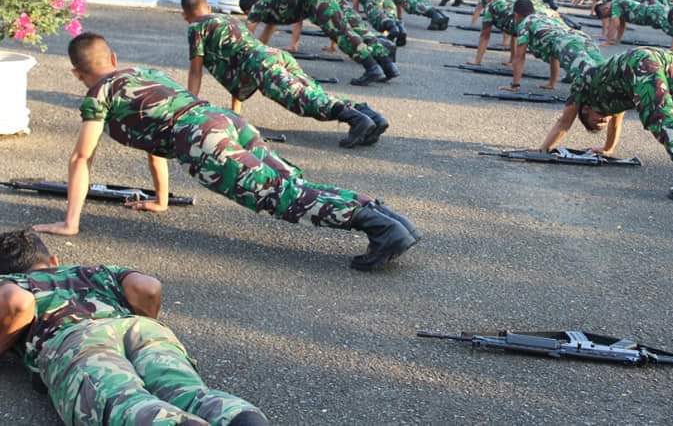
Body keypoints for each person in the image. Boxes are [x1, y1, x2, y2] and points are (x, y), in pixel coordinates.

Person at [32, 33, 420, 271]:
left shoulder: (98, 95)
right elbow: (154, 146)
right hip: (222, 119)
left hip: (201, 139)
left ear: (76, 71)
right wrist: (161, 200)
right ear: (112, 58)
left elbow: (81, 158)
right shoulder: (144, 73)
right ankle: (386, 216)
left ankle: (378, 226)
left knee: (278, 196)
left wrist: (70, 223)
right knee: (288, 182)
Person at [0, 230, 269, 425]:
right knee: (185, 389)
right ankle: (237, 417)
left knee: (118, 400)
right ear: (55, 261)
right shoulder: (96, 270)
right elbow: (148, 288)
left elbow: (16, 303)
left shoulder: (10, 280)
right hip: (139, 327)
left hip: (75, 340)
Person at [181, 0, 387, 149]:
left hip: (260, 64)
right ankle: (367, 114)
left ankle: (356, 119)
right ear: (207, 7)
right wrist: (236, 116)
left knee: (302, 100)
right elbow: (237, 68)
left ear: (185, 15)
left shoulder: (196, 28)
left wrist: (190, 105)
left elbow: (196, 70)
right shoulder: (227, 19)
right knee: (312, 91)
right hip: (274, 55)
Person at [540, 46, 673, 200]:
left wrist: (543, 150)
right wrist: (607, 149)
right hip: (665, 58)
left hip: (640, 61)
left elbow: (564, 122)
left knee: (660, 115)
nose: (602, 121)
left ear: (584, 110)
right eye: (601, 124)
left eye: (596, 121)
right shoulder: (611, 98)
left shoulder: (584, 83)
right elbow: (616, 121)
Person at [241, 0, 399, 86]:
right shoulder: (270, 7)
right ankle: (388, 66)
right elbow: (268, 32)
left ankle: (371, 68)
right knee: (356, 26)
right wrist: (261, 50)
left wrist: (243, 54)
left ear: (247, 9)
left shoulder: (258, 7)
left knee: (342, 32)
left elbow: (247, 33)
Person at [506, 0, 604, 91]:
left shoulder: (525, 23)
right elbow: (554, 55)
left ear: (516, 14)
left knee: (590, 77)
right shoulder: (545, 17)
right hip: (583, 38)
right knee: (604, 70)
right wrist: (551, 83)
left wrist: (515, 85)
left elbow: (519, 57)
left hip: (567, 44)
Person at [467, 0, 519, 67]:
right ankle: (513, 60)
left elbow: (485, 36)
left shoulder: (491, 6)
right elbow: (515, 33)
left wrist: (477, 60)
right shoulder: (513, 1)